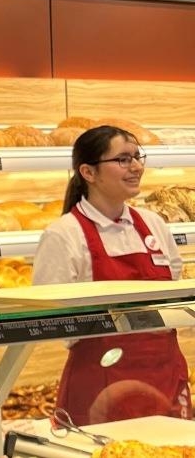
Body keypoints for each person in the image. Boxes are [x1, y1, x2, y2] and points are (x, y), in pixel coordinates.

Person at [32, 125, 190, 426]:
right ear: (88, 173)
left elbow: (175, 296)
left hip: (166, 375)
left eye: (137, 157)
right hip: (101, 382)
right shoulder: (64, 234)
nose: (136, 167)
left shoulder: (154, 224)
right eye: (123, 159)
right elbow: (51, 320)